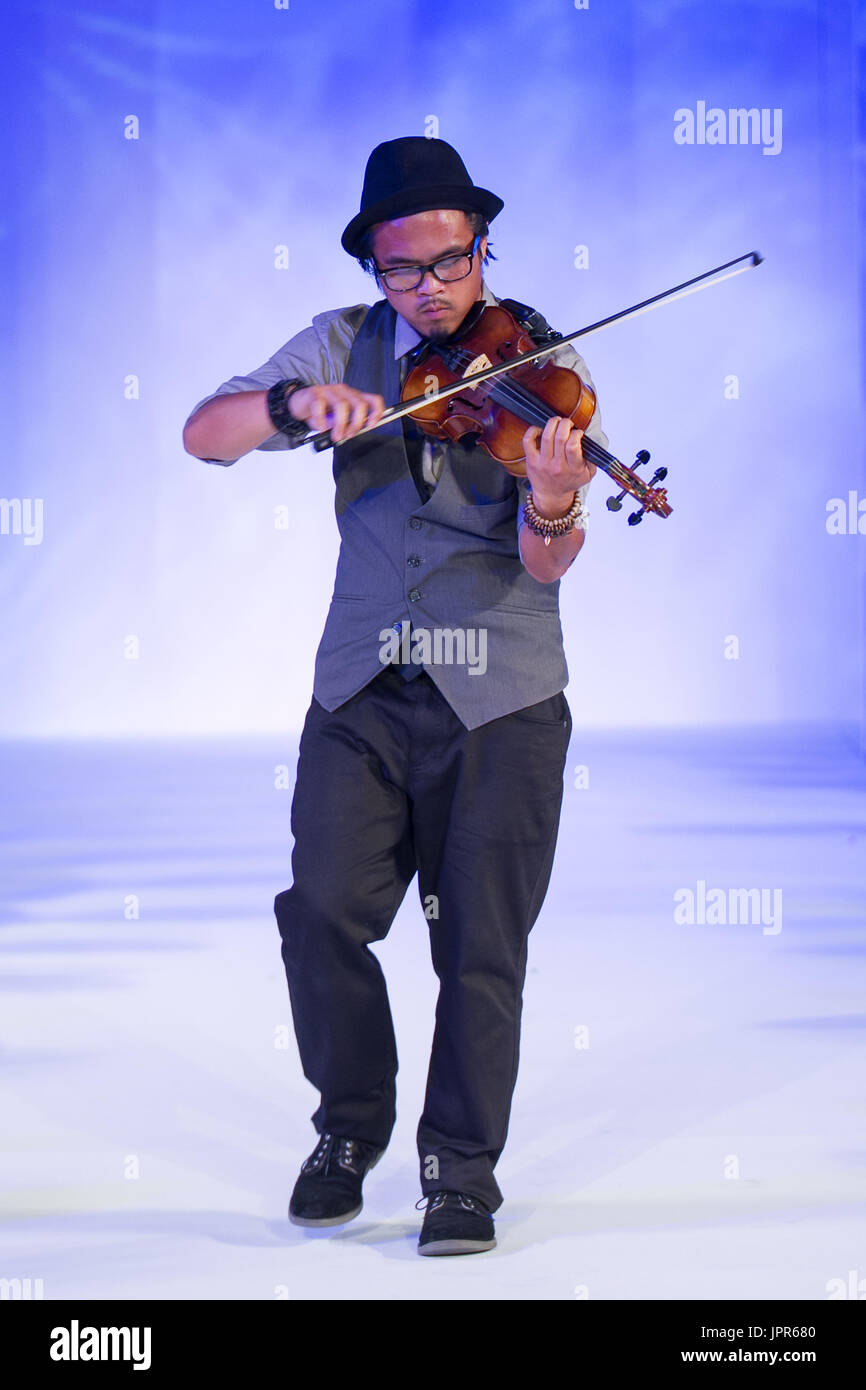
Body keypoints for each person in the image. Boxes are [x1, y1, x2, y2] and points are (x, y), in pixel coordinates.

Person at [182, 136, 606, 1257]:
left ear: (480, 246)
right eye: (399, 269)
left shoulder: (533, 361)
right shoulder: (343, 341)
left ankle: (457, 1173)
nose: (426, 291)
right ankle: (349, 1127)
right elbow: (204, 434)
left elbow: (547, 561)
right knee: (318, 909)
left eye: (447, 263)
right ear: (371, 264)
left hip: (501, 697)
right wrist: (292, 405)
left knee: (479, 945)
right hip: (361, 687)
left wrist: (555, 499)